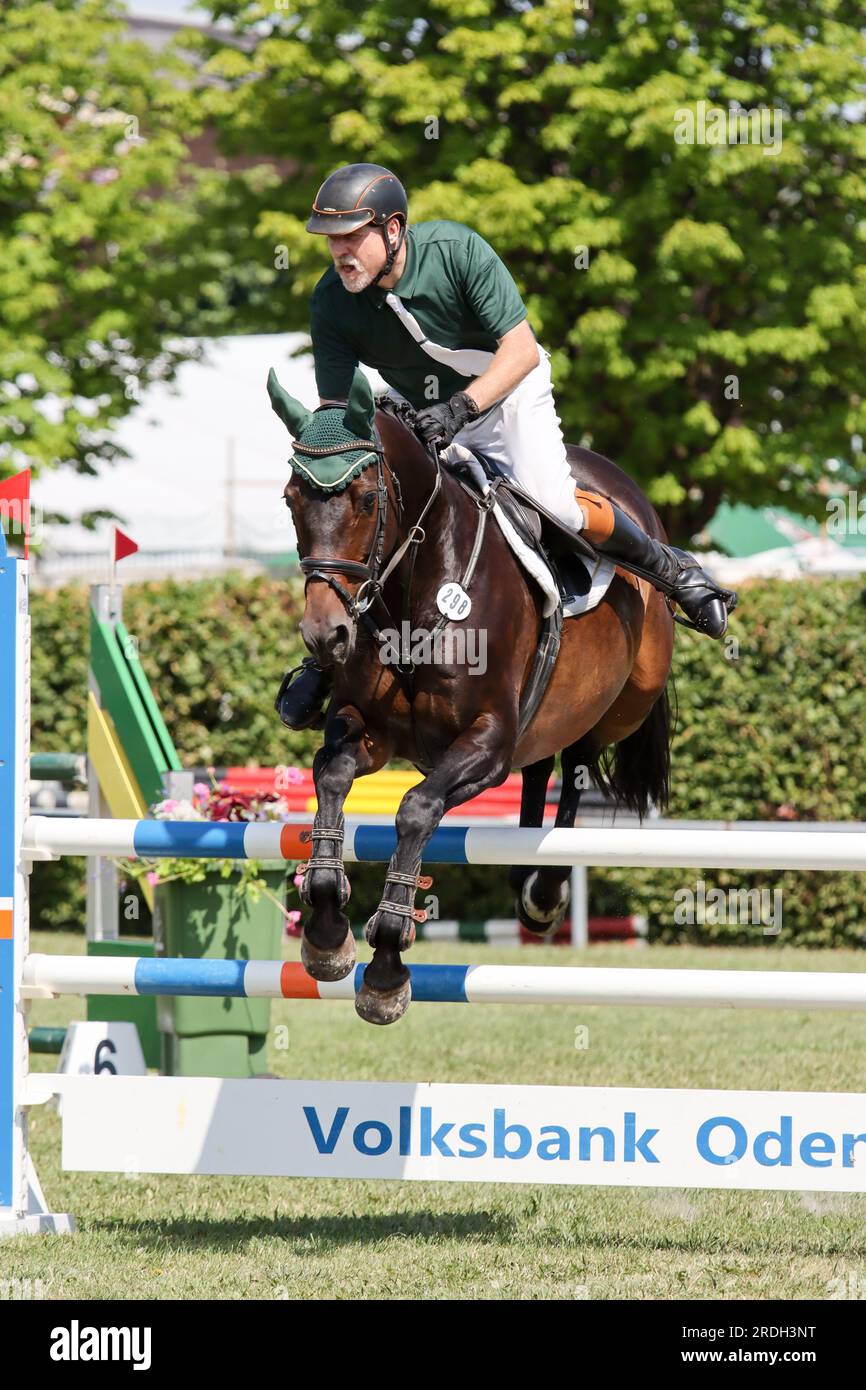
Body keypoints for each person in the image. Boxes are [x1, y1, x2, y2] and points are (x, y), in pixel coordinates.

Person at [277, 163, 736, 730]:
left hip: (507, 390)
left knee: (556, 502)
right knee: (377, 509)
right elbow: (335, 410)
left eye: (352, 236)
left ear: (393, 229)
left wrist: (461, 410)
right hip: (422, 411)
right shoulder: (331, 301)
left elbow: (518, 350)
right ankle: (330, 658)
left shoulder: (458, 251)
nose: (339, 251)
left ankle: (672, 571)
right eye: (331, 240)